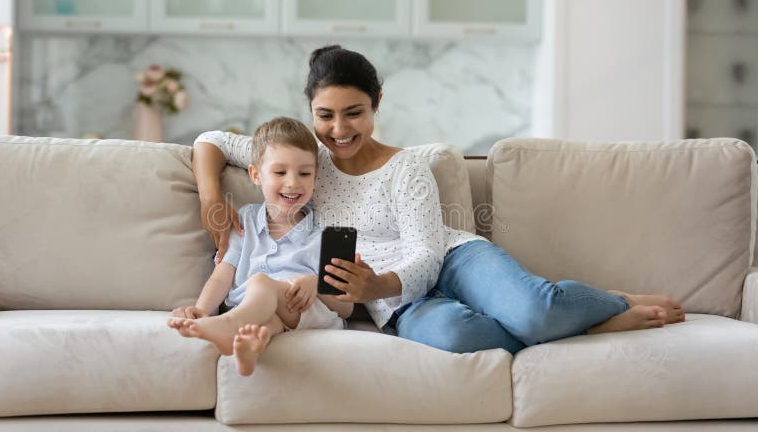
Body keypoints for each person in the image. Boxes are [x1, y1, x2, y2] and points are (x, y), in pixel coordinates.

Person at [191, 45, 685, 356]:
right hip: (396, 303)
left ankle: (611, 303)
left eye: (354, 113)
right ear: (311, 113)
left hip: (450, 260)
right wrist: (212, 202)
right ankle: (584, 329)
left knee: (533, 310)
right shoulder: (306, 161)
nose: (339, 130)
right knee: (456, 339)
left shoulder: (407, 168)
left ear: (377, 104)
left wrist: (375, 285)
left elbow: (427, 257)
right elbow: (211, 140)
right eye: (326, 115)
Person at [168, 117, 353, 375]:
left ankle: (228, 325)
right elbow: (223, 275)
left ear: (315, 176)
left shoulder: (331, 233)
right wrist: (200, 310)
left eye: (304, 173)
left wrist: (318, 283)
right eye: (280, 172)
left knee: (260, 283)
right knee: (264, 322)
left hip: (305, 312)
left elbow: (346, 308)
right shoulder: (244, 220)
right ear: (256, 175)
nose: (293, 183)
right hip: (261, 312)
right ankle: (252, 345)